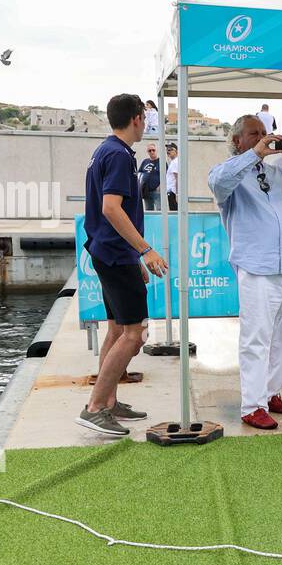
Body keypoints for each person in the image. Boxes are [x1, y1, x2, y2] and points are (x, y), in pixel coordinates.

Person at [208, 114, 282, 430]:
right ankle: (252, 405)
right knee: (256, 338)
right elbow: (217, 184)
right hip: (257, 267)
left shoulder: (280, 174)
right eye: (254, 133)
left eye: (265, 133)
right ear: (238, 141)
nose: (264, 137)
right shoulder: (229, 174)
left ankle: (271, 392)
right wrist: (254, 154)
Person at [77, 94, 168, 436]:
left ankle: (109, 402)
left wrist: (134, 257)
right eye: (144, 118)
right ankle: (96, 406)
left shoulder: (106, 150)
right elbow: (111, 208)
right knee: (135, 334)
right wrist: (145, 250)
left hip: (111, 253)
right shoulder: (117, 155)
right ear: (135, 119)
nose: (146, 124)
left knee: (116, 330)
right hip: (115, 253)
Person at [138, 143, 162, 211]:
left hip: (157, 191)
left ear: (156, 150)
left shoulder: (161, 162)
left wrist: (160, 187)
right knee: (148, 210)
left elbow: (166, 176)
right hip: (146, 191)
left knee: (159, 210)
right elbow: (139, 173)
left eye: (153, 150)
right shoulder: (145, 161)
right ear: (147, 152)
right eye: (150, 150)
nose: (152, 152)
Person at [164, 142, 179, 211]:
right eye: (167, 150)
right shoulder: (173, 162)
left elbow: (177, 177)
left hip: (173, 192)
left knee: (174, 212)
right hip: (171, 192)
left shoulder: (175, 162)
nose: (168, 151)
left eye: (170, 149)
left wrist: (177, 193)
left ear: (175, 151)